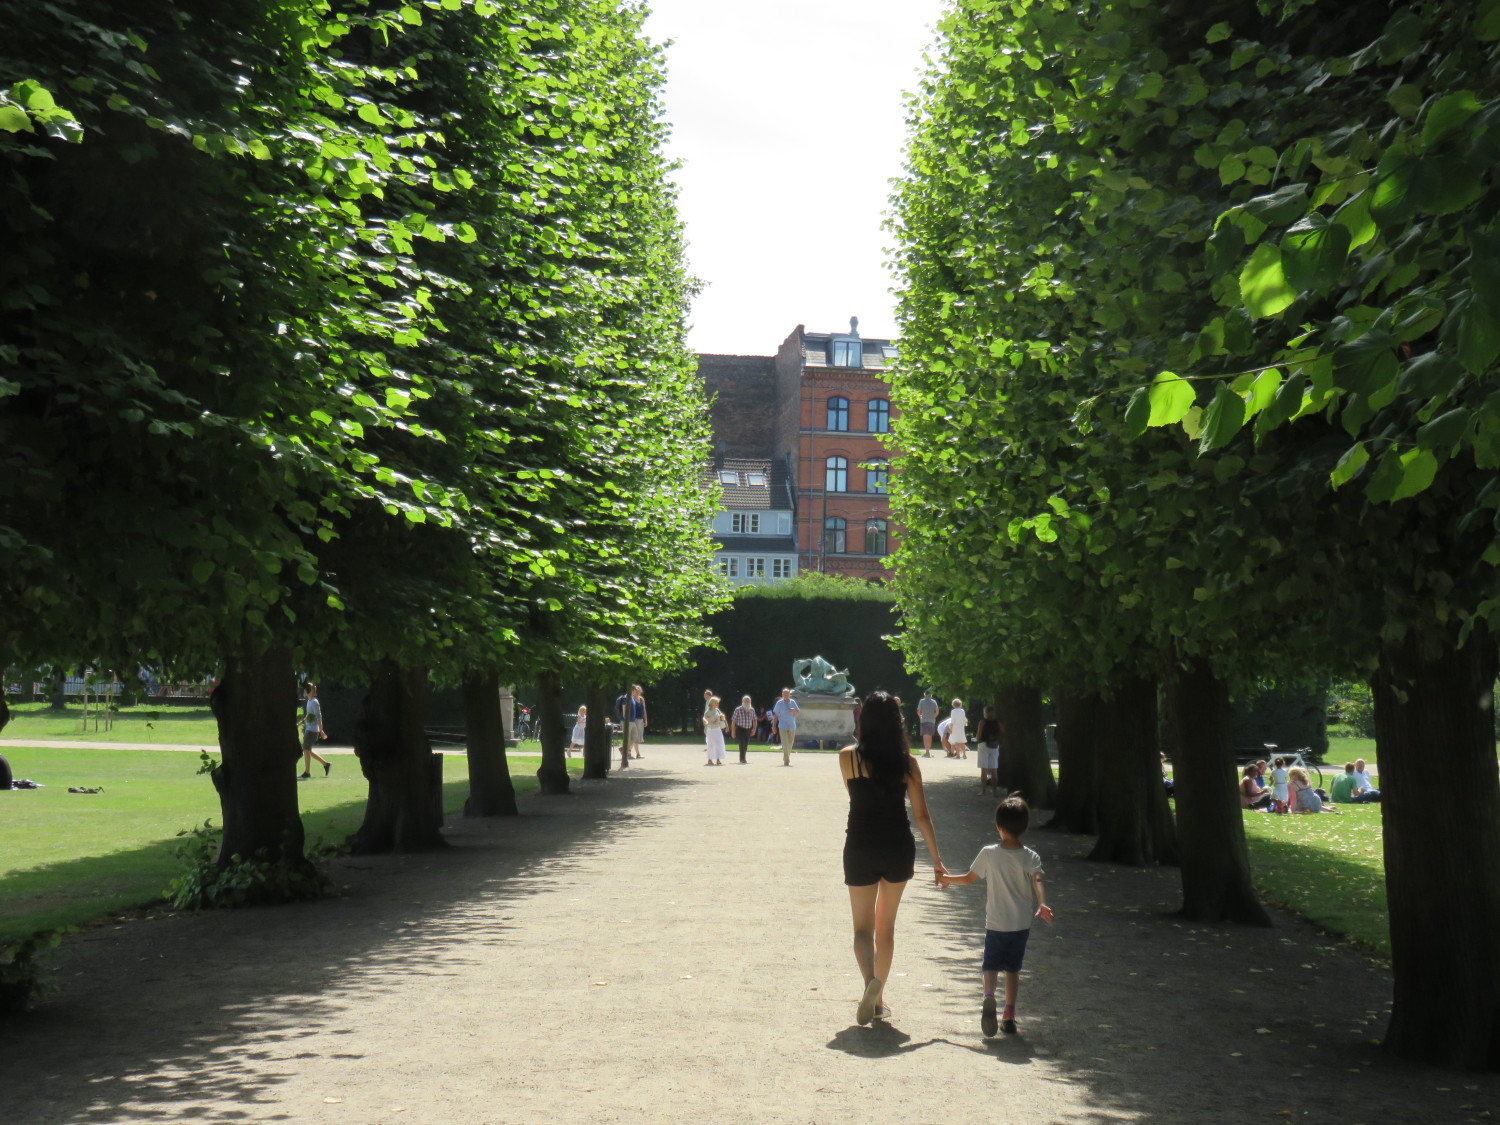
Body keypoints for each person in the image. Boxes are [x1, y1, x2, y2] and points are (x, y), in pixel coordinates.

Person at [839, 690, 945, 1025]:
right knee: (886, 929)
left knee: (861, 929)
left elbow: (856, 797)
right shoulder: (908, 763)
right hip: (898, 845)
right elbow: (923, 815)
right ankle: (879, 997)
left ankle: (872, 986)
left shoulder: (847, 758)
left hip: (860, 844)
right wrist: (938, 861)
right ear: (897, 722)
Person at [939, 794, 1054, 1036]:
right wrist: (1042, 903)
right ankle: (1009, 1014)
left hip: (996, 922)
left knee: (990, 965)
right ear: (1025, 827)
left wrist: (946, 878)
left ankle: (989, 996)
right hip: (1020, 924)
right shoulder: (1030, 856)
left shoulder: (989, 853)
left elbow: (969, 878)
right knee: (1013, 969)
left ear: (998, 827)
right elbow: (1038, 879)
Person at [299, 683, 331, 779]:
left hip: (312, 731)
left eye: (306, 689)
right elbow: (309, 716)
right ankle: (326, 764)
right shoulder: (310, 701)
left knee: (306, 750)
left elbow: (318, 717)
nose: (304, 691)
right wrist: (299, 724)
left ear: (311, 691)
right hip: (309, 729)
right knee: (307, 750)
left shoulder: (314, 702)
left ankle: (307, 772)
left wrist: (321, 731)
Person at [974, 706, 1004, 796]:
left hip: (983, 745)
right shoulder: (998, 723)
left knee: (984, 769)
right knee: (994, 770)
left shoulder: (982, 722)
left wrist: (976, 739)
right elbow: (1003, 732)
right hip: (994, 745)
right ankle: (995, 792)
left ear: (985, 713)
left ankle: (983, 791)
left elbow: (979, 736)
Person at [771, 687, 800, 766]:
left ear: (790, 694)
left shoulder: (793, 702)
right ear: (782, 694)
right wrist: (773, 726)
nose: (786, 695)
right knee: (784, 743)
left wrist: (794, 710)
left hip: (792, 726)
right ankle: (786, 760)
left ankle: (786, 757)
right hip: (782, 725)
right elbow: (776, 716)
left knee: (790, 744)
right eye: (784, 693)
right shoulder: (779, 703)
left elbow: (797, 713)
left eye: (787, 693)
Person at [621, 684, 647, 769]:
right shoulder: (629, 698)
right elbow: (626, 709)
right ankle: (631, 752)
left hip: (639, 720)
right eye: (636, 691)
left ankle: (626, 750)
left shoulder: (641, 699)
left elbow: (644, 710)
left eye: (639, 691)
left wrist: (645, 719)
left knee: (637, 737)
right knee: (634, 737)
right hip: (633, 719)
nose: (638, 692)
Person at [730, 695, 757, 764]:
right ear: (742, 702)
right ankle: (742, 758)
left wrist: (754, 729)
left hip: (748, 729)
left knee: (746, 744)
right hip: (740, 729)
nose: (747, 702)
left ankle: (743, 757)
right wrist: (733, 731)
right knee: (742, 743)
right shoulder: (738, 709)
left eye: (748, 701)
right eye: (746, 701)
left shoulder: (752, 710)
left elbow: (754, 720)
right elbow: (733, 721)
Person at [703, 696, 727, 765]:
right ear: (713, 703)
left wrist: (722, 720)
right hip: (711, 729)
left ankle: (718, 759)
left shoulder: (717, 710)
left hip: (717, 729)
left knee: (719, 743)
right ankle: (710, 759)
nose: (718, 704)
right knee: (711, 744)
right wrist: (715, 719)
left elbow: (722, 718)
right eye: (716, 703)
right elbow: (707, 720)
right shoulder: (707, 712)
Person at [915, 690, 939, 756]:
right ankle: (928, 751)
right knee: (930, 736)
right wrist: (933, 717)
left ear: (924, 694)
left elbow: (918, 711)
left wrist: (920, 717)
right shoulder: (934, 701)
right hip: (932, 721)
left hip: (924, 721)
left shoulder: (922, 701)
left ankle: (927, 751)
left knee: (925, 736)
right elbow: (937, 711)